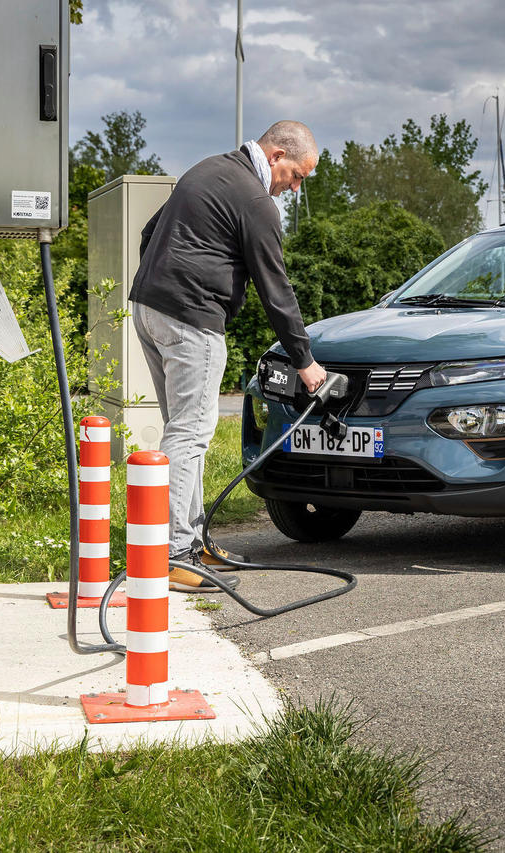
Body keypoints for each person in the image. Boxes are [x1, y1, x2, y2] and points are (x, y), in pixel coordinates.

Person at [130, 120, 327, 592]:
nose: (294, 189)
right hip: (191, 319)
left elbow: (149, 234)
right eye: (297, 176)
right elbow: (275, 288)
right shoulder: (255, 200)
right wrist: (305, 361)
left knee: (184, 431)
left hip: (149, 308)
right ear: (277, 156)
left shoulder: (207, 169)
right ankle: (171, 555)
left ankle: (192, 542)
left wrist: (164, 285)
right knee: (189, 434)